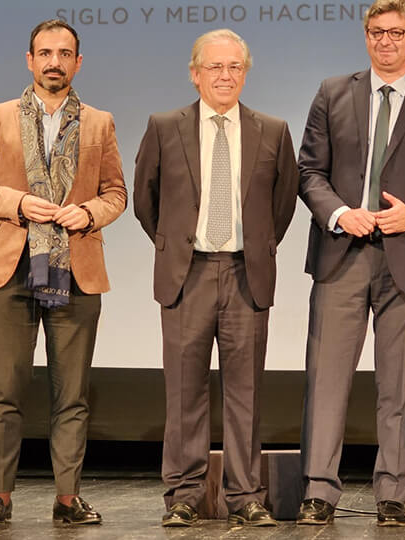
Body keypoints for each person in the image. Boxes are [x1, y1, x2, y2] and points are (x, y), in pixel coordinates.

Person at [296, 0, 405, 526]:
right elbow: (308, 173)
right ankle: (319, 489)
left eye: (396, 33)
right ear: (366, 36)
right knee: (327, 381)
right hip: (341, 255)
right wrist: (341, 213)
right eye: (377, 33)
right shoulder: (332, 92)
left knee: (399, 385)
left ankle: (392, 492)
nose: (385, 42)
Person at [0, 19, 127, 526]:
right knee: (5, 388)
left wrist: (90, 213)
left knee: (71, 393)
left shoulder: (99, 122)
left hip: (75, 267)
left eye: (65, 53)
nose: (54, 61)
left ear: (78, 62)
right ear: (29, 59)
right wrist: (18, 203)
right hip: (11, 265)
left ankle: (67, 497)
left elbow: (117, 193)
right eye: (45, 52)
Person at [133, 29, 299, 528]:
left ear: (245, 73)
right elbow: (147, 200)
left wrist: (253, 250)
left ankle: (246, 494)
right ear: (195, 73)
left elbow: (283, 204)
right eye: (215, 67)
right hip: (189, 274)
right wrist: (177, 246)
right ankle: (183, 494)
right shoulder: (165, 126)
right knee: (184, 391)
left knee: (246, 391)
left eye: (234, 68)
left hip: (246, 274)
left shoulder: (272, 130)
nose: (225, 76)